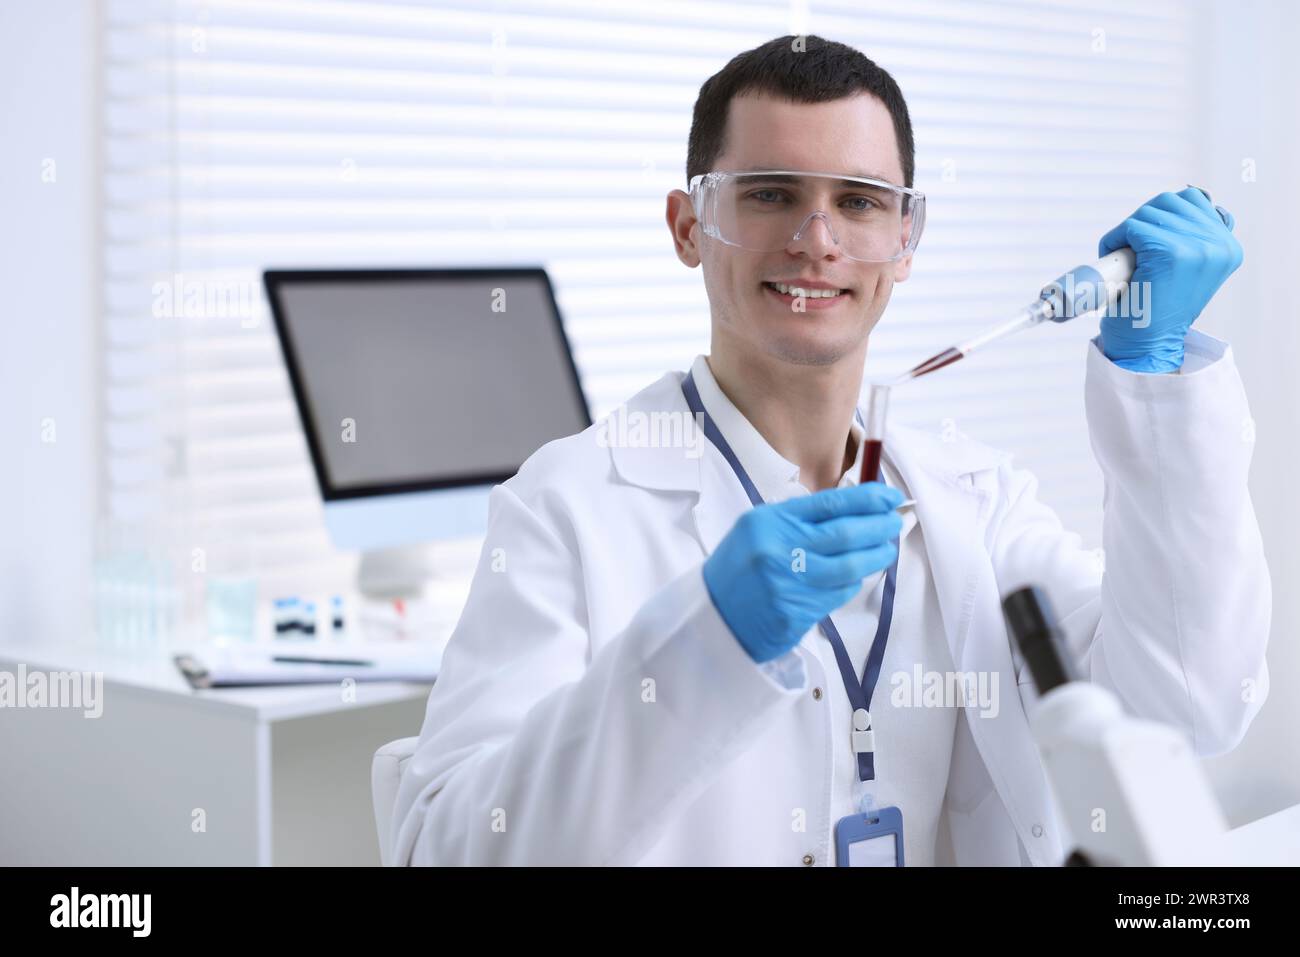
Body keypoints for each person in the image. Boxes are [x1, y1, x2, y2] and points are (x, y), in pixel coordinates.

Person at [391, 35, 1268, 866]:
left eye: (858, 201)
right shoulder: (570, 506)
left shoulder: (975, 501)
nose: (818, 240)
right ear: (689, 225)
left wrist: (1153, 381)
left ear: (905, 239)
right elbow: (451, 847)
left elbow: (1187, 705)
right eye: (771, 193)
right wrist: (705, 642)